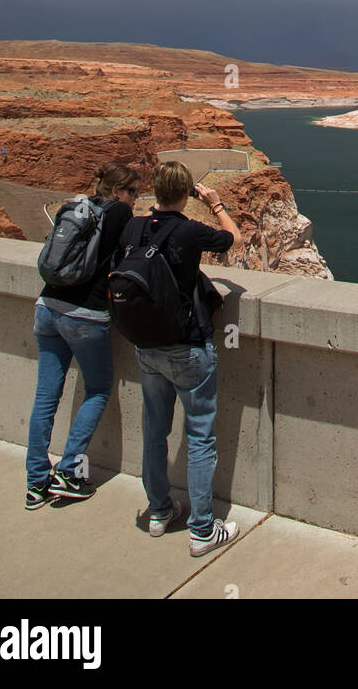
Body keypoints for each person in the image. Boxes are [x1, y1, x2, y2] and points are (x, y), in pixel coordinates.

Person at [119, 161, 244, 556]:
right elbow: (233, 239)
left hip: (147, 347)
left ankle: (158, 512)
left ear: (154, 190)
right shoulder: (189, 230)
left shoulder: (134, 226)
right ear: (187, 192)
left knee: (155, 431)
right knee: (200, 438)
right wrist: (216, 203)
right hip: (189, 347)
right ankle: (203, 529)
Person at [25, 161, 141, 509]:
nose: (136, 199)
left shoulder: (73, 207)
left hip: (47, 306)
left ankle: (35, 483)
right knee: (98, 389)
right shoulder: (119, 212)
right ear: (118, 191)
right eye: (133, 192)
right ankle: (70, 470)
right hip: (85, 315)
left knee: (45, 397)